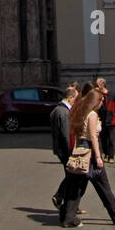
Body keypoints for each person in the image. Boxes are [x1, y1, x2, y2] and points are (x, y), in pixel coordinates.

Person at [61, 84, 115, 228]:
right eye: (100, 101)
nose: (101, 104)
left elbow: (77, 133)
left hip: (81, 151)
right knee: (103, 187)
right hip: (91, 154)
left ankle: (67, 217)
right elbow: (93, 137)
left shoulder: (81, 112)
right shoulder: (92, 114)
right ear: (95, 101)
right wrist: (99, 157)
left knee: (77, 188)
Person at [50, 82, 78, 212]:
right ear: (70, 98)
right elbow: (67, 135)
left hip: (59, 149)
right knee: (72, 176)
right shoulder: (64, 113)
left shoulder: (56, 110)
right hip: (66, 150)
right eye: (75, 99)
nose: (75, 102)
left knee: (70, 176)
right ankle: (61, 197)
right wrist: (72, 152)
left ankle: (68, 203)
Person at [96, 77, 115, 161]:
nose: (96, 86)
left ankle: (111, 156)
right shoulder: (98, 96)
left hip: (112, 121)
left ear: (103, 85)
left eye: (97, 85)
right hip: (102, 121)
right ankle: (106, 153)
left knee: (111, 139)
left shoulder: (112, 95)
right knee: (103, 139)